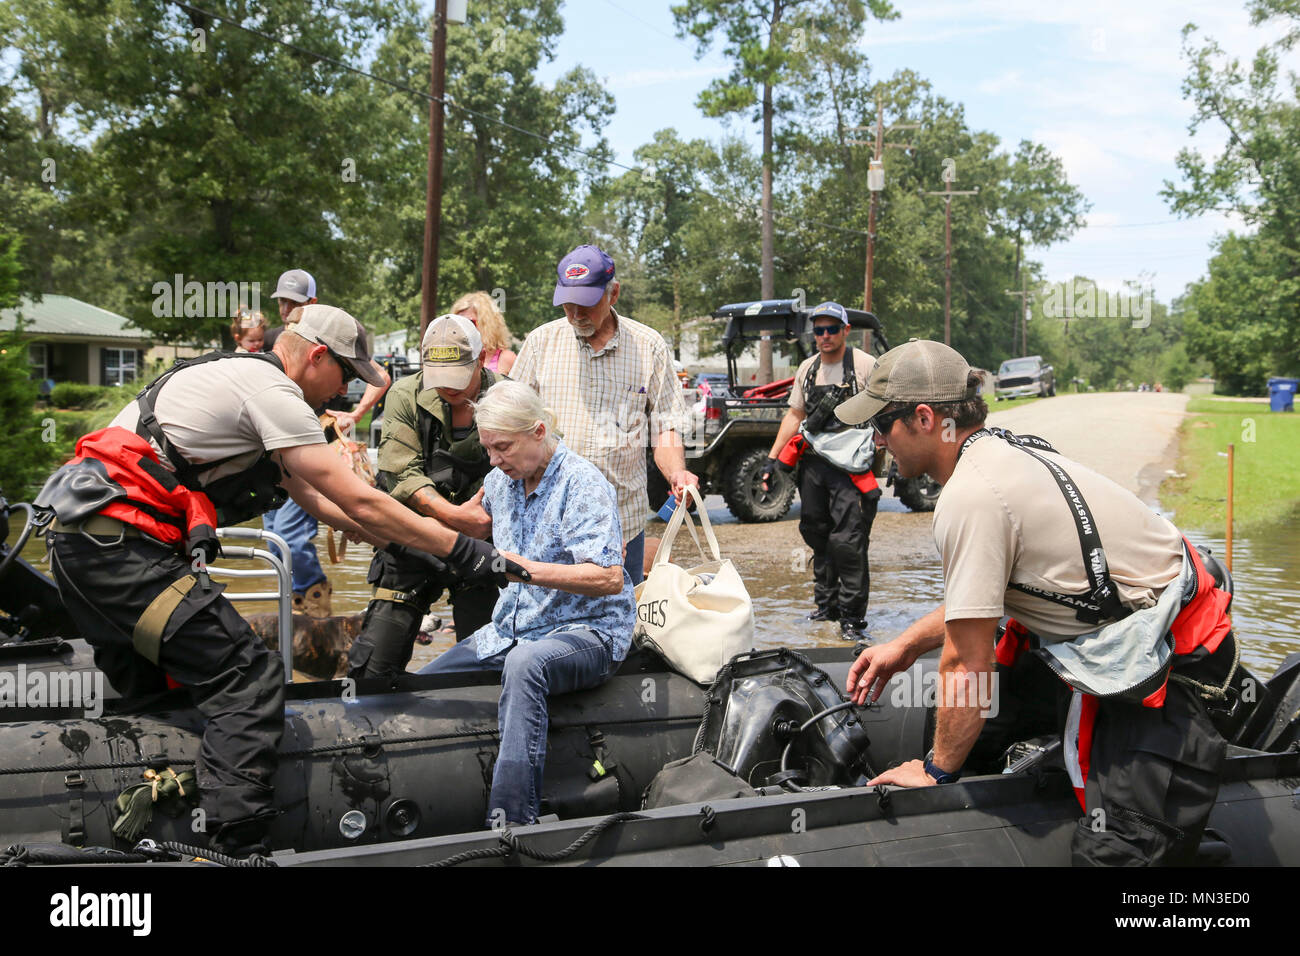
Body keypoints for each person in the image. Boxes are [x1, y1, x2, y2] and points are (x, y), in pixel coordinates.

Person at [36, 305, 526, 855]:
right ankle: (233, 847)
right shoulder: (272, 393)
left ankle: (151, 819)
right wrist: (464, 550)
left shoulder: (236, 378)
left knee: (159, 691)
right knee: (248, 679)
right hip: (120, 548)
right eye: (344, 376)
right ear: (318, 356)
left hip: (77, 541)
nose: (343, 392)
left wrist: (397, 544)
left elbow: (320, 500)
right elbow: (360, 495)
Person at [835, 340, 1237, 866]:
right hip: (1105, 630)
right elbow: (981, 601)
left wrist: (933, 774)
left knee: (1116, 851)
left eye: (881, 425)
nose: (877, 441)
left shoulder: (972, 495)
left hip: (1170, 658)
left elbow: (967, 661)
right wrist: (906, 644)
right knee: (970, 725)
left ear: (925, 418)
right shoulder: (1000, 449)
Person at [419, 380, 633, 826]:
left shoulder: (583, 483)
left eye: (503, 448)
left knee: (525, 665)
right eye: (487, 449)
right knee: (421, 685)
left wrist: (525, 568)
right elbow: (471, 532)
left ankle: (513, 820)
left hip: (588, 631)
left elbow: (609, 578)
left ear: (538, 431)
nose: (493, 461)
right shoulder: (499, 481)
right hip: (511, 630)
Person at [510, 244, 695, 585]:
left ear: (614, 293)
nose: (577, 314)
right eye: (568, 304)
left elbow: (666, 426)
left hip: (622, 519)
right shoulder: (540, 344)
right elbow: (508, 424)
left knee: (621, 625)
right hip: (551, 520)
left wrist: (677, 474)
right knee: (549, 627)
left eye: (587, 304)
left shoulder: (648, 346)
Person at [347, 314, 505, 680]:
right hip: (413, 540)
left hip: (483, 549)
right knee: (372, 667)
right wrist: (454, 517)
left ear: (481, 361)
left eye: (458, 376)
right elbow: (401, 472)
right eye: (439, 377)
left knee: (486, 667)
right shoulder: (405, 394)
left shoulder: (509, 396)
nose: (448, 388)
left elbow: (537, 465)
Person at [262, 270, 390, 616]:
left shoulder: (330, 335)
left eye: (295, 302)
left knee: (292, 536)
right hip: (275, 451)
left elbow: (381, 376)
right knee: (273, 538)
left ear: (312, 304)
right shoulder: (275, 339)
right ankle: (291, 615)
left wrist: (356, 414)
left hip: (309, 446)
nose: (287, 308)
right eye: (282, 301)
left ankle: (317, 616)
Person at [762, 301, 878, 642]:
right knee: (816, 532)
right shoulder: (807, 369)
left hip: (850, 466)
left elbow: (886, 408)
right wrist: (772, 459)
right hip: (813, 464)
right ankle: (827, 606)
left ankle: (853, 618)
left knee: (849, 541)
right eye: (819, 330)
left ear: (845, 330)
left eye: (831, 329)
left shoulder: (865, 365)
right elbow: (794, 416)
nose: (824, 336)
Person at [451, 291, 516, 375]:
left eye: (469, 322)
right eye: (457, 322)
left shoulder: (507, 359)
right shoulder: (451, 359)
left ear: (487, 324)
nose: (463, 327)